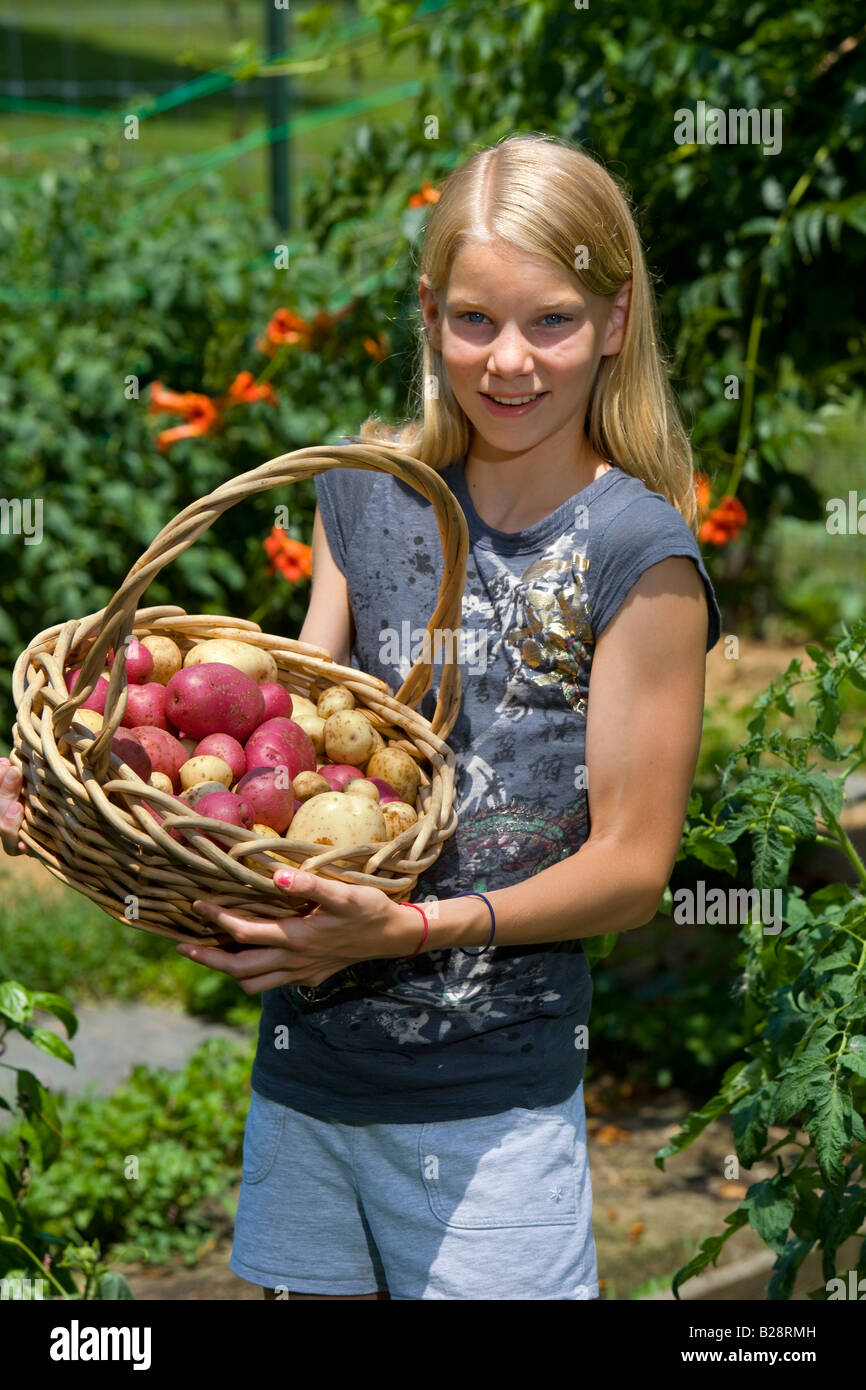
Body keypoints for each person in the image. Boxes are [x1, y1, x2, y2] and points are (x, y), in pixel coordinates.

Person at [1, 131, 722, 1301]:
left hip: (489, 1114)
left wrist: (407, 932)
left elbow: (633, 869)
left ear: (614, 317)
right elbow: (280, 736)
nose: (509, 362)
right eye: (474, 320)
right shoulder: (366, 489)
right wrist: (73, 772)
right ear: (429, 313)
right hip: (306, 1080)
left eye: (550, 320)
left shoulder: (635, 553)